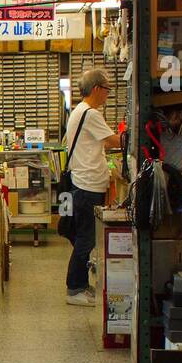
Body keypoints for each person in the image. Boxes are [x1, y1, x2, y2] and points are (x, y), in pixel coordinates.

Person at [65, 67, 123, 307]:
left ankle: (78, 284)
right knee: (86, 239)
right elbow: (113, 141)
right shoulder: (90, 113)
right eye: (107, 90)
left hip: (84, 183)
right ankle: (74, 288)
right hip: (87, 186)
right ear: (97, 89)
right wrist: (134, 135)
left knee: (84, 237)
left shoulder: (81, 111)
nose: (108, 95)